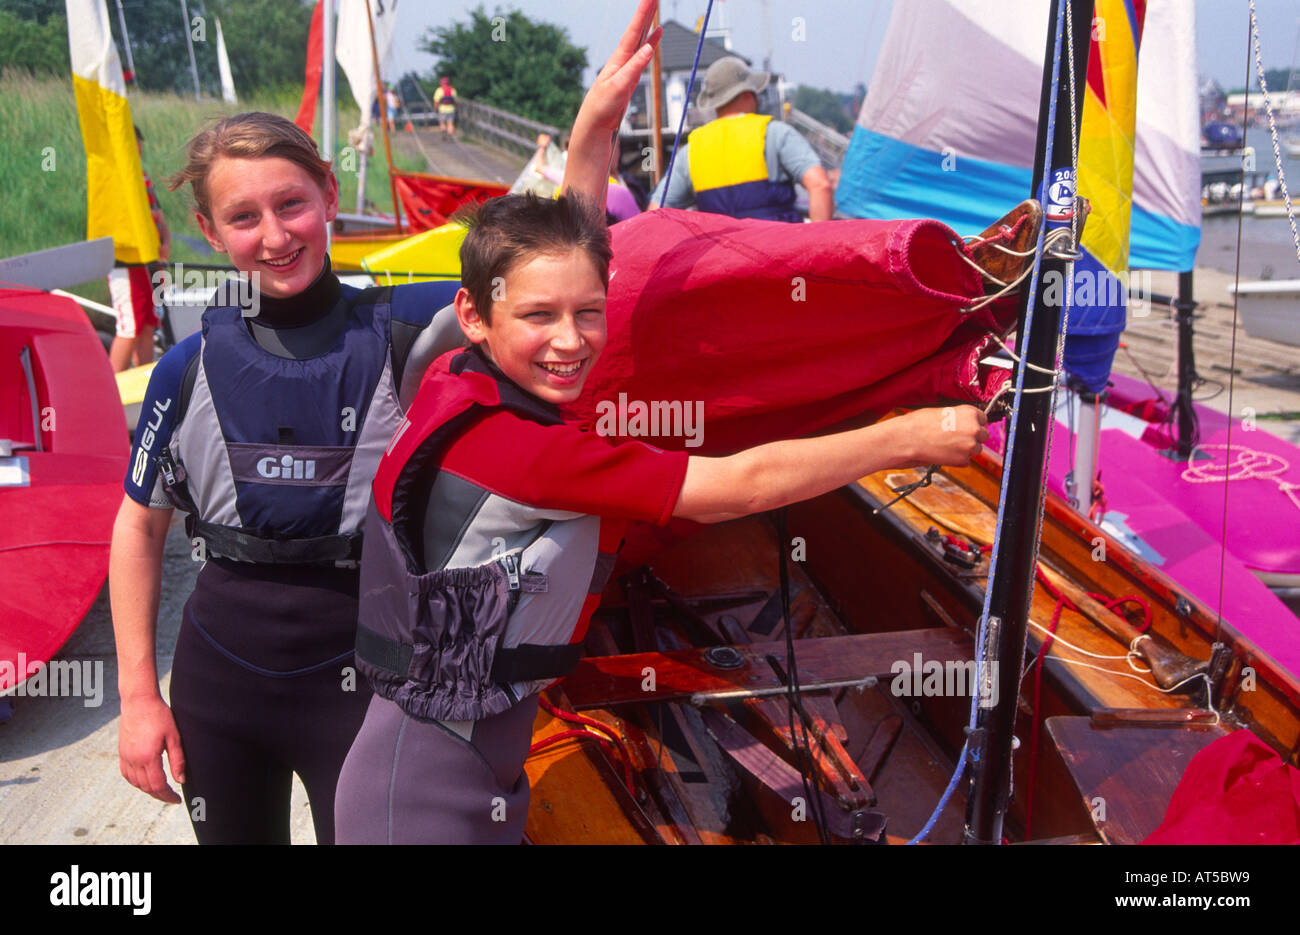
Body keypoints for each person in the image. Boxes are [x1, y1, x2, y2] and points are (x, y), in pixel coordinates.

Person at [332, 189, 988, 844]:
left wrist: (594, 127)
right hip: (421, 795)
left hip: (458, 763)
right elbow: (739, 484)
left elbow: (563, 244)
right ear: (474, 315)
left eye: (590, 312)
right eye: (540, 314)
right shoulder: (524, 454)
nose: (570, 339)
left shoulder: (451, 373)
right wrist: (905, 438)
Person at [109, 112, 466, 845]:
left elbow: (556, 276)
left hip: (368, 679)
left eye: (290, 203)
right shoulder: (187, 368)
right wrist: (138, 695)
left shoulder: (411, 327)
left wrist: (590, 134)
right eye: (244, 216)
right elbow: (139, 526)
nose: (274, 235)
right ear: (211, 231)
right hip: (221, 686)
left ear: (329, 195)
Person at [648, 57, 834, 222]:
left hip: (721, 259)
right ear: (747, 94)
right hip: (781, 256)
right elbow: (820, 185)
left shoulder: (691, 151)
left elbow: (655, 213)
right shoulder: (776, 133)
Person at [108, 125, 170, 373]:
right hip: (125, 262)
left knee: (148, 323)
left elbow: (159, 218)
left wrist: (164, 246)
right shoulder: (113, 180)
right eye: (129, 141)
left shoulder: (143, 178)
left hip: (150, 260)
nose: (136, 146)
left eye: (137, 141)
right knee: (130, 325)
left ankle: (143, 383)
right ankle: (115, 389)